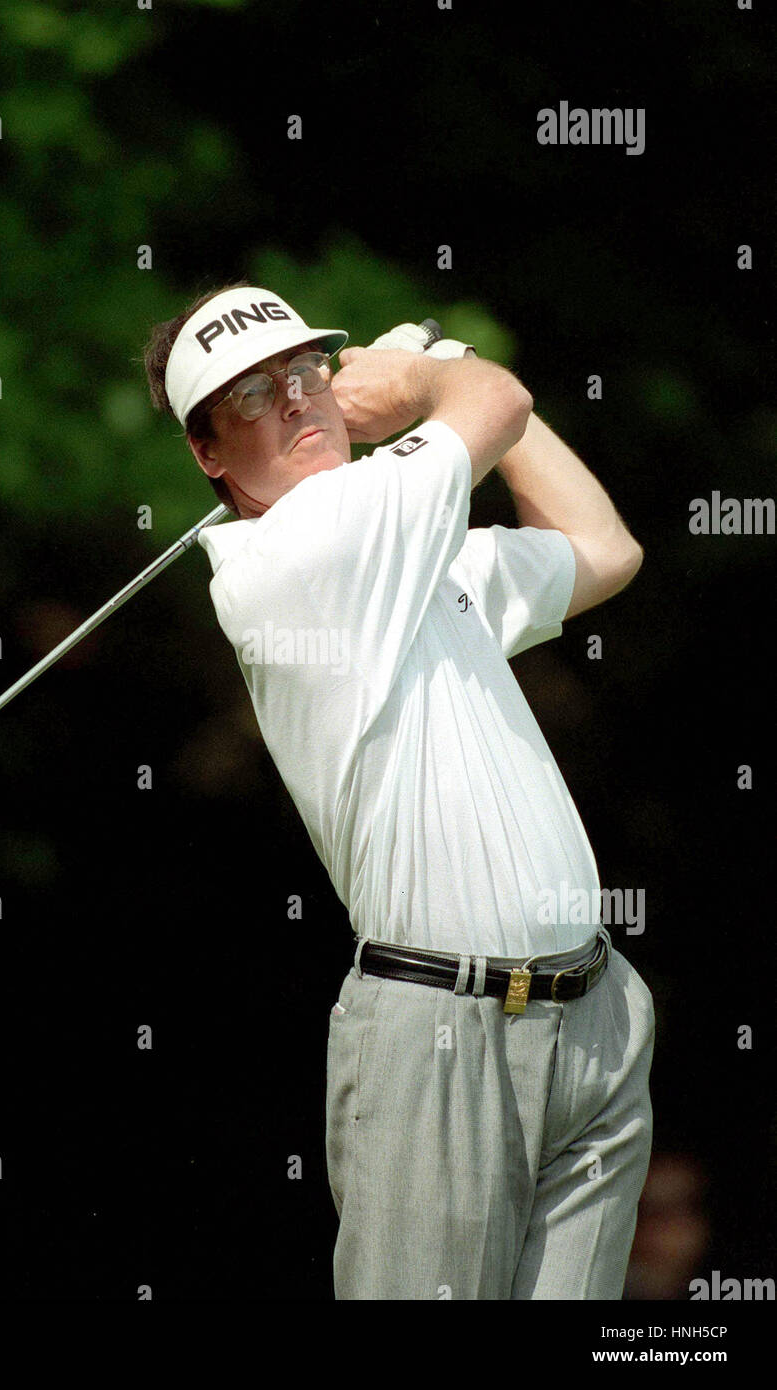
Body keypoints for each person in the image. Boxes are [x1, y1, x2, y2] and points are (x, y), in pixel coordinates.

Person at [143, 281, 656, 1300]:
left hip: (592, 1021)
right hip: (438, 1034)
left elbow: (604, 550)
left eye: (301, 373)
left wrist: (447, 370)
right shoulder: (301, 553)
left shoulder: (405, 548)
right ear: (207, 453)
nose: (293, 402)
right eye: (252, 397)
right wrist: (433, 374)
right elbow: (492, 406)